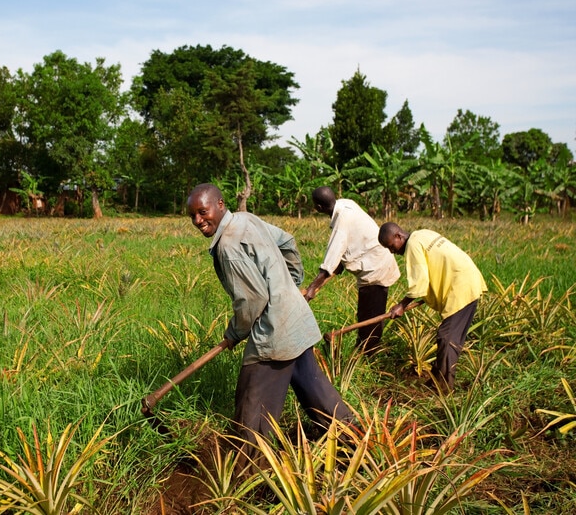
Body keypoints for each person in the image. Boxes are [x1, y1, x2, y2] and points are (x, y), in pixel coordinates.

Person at [186, 183, 353, 456]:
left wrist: (234, 333)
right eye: (192, 215)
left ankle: (249, 470)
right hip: (296, 319)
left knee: (253, 406)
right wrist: (289, 285)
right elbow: (287, 241)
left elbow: (252, 301)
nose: (197, 221)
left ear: (220, 204)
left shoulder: (228, 246)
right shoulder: (245, 219)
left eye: (202, 212)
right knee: (314, 389)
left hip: (274, 332)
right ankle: (355, 438)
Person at [378, 222, 487, 393]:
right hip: (467, 278)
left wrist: (401, 305)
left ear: (398, 236)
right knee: (447, 338)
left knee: (447, 338)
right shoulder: (422, 234)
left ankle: (444, 389)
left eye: (391, 246)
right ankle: (437, 380)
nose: (392, 252)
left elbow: (419, 282)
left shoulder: (412, 246)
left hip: (461, 287)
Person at [304, 187, 400, 353]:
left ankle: (368, 354)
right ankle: (366, 350)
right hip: (375, 263)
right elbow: (347, 247)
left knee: (370, 315)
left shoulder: (342, 220)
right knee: (369, 313)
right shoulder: (346, 204)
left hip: (375, 270)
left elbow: (332, 258)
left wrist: (311, 289)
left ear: (318, 207)